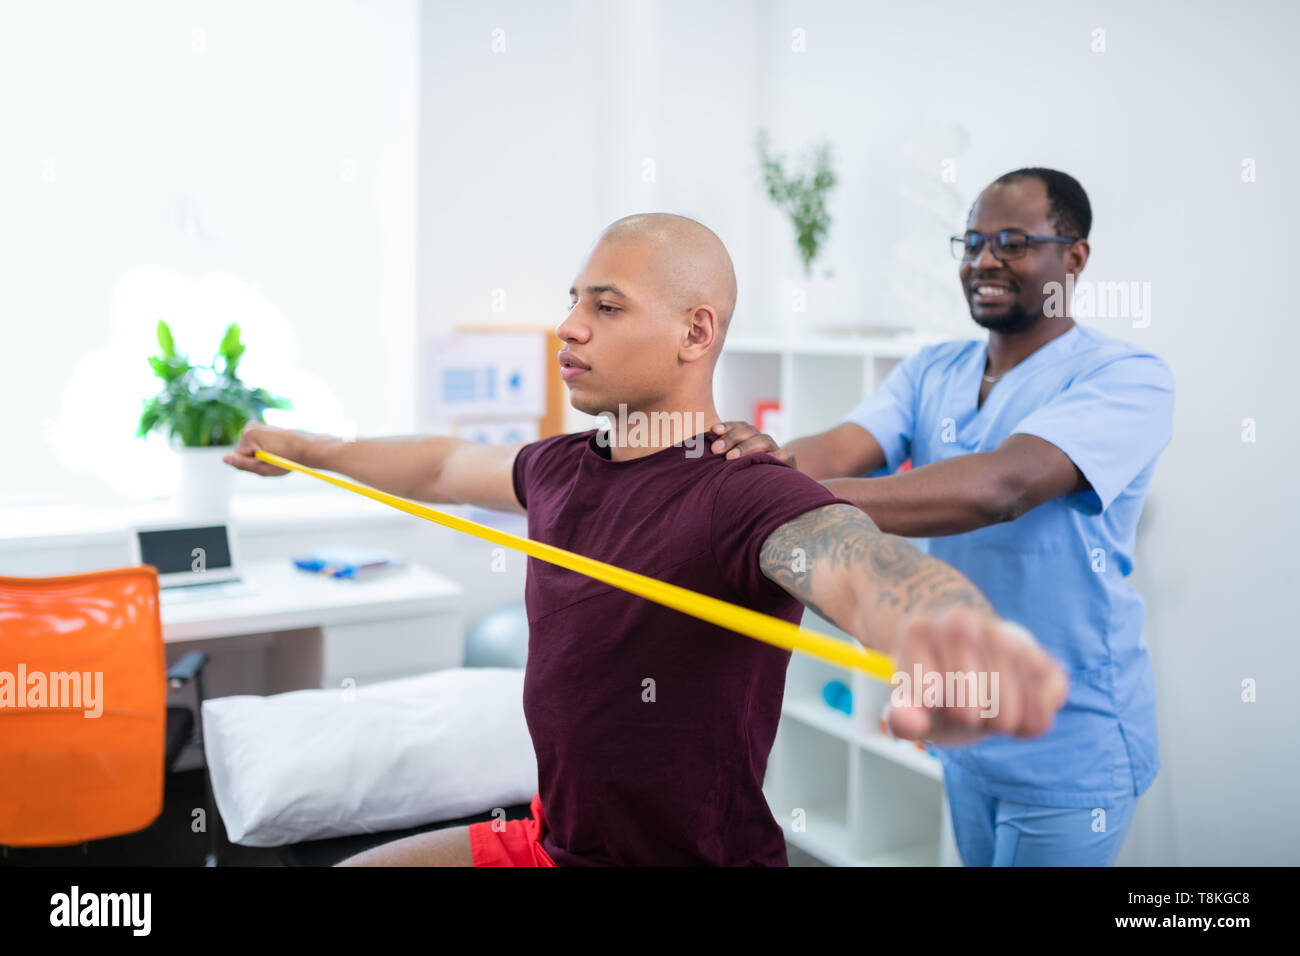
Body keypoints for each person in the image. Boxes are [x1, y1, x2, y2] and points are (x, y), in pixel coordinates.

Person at [224, 212, 1067, 867]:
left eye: (607, 306)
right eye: (574, 301)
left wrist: (942, 627)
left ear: (695, 334)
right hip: (557, 843)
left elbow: (854, 562)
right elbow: (443, 464)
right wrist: (304, 451)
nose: (570, 327)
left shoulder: (742, 489)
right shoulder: (558, 467)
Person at [713, 169, 1175, 866]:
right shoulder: (934, 370)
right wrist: (763, 462)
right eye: (972, 241)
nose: (984, 260)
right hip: (963, 724)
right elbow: (842, 446)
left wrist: (788, 497)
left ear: (1074, 257)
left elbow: (1002, 486)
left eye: (1012, 242)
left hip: (1070, 744)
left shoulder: (1126, 376)